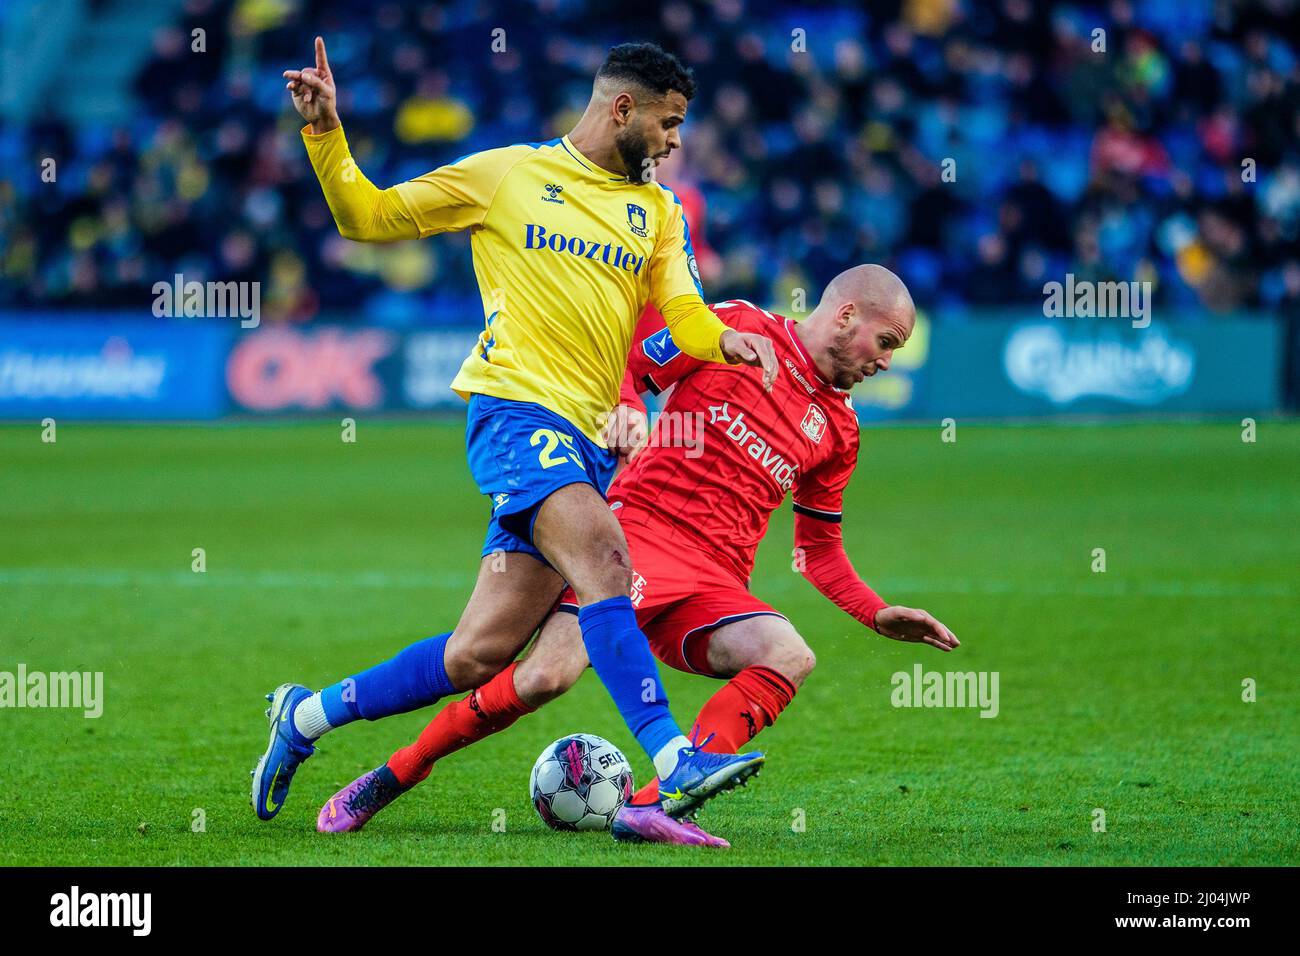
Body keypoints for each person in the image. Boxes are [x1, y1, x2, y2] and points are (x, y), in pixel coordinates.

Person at [250, 38, 781, 823]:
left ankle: (303, 717)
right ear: (622, 108)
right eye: (668, 124)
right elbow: (366, 216)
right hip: (514, 415)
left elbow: (685, 313)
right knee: (607, 558)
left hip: (589, 442)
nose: (676, 142)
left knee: (478, 654)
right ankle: (675, 757)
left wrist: (722, 341)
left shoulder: (660, 212)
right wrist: (326, 133)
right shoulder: (507, 174)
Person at [316, 265, 960, 846]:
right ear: (846, 315)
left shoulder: (841, 430)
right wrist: (627, 409)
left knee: (790, 654)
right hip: (636, 536)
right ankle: (396, 773)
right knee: (546, 675)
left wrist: (875, 614)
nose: (887, 363)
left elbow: (818, 551)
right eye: (887, 343)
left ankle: (658, 803)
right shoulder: (732, 327)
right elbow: (626, 363)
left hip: (716, 582)